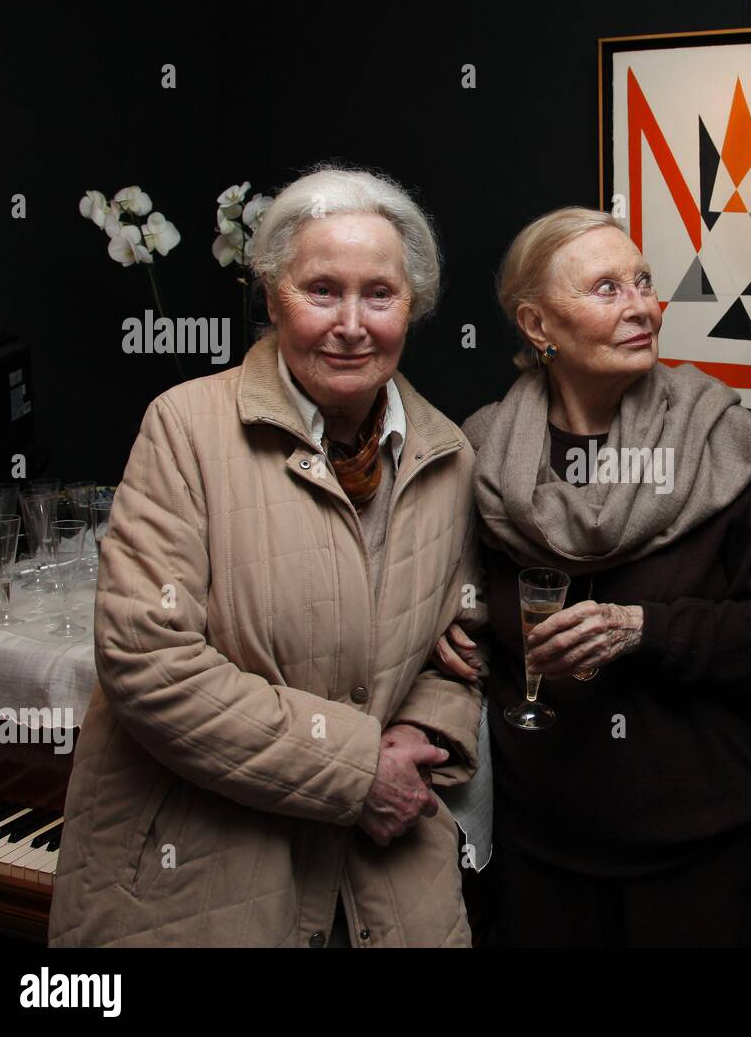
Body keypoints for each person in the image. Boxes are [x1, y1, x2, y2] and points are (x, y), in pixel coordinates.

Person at [48, 166, 485, 947]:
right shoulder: (185, 428)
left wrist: (425, 734)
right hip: (204, 888)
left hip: (389, 886)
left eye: (379, 294)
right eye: (321, 289)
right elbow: (149, 662)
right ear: (273, 294)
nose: (351, 322)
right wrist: (358, 772)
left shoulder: (447, 453)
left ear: (411, 306)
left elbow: (453, 647)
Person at [435, 207, 751, 947]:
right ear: (538, 325)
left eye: (643, 281)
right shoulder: (482, 456)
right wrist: (451, 625)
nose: (642, 305)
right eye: (607, 289)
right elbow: (467, 608)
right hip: (541, 843)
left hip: (695, 846)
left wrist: (643, 629)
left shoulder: (715, 440)